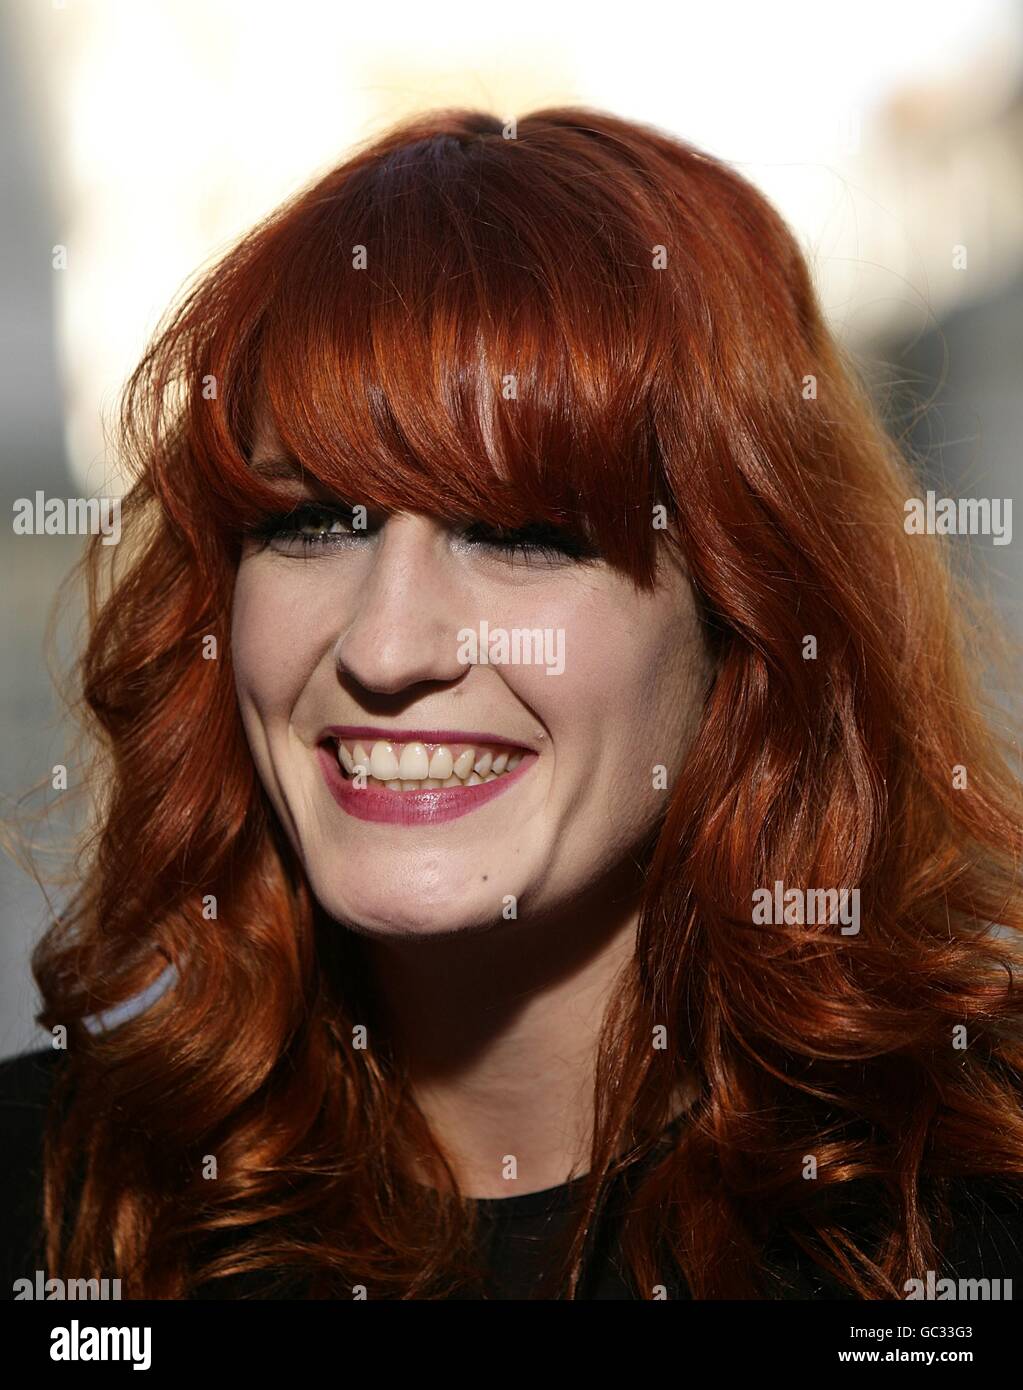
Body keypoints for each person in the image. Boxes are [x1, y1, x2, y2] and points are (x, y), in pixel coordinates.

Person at [3, 106, 1023, 1300]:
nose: (386, 647)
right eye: (313, 521)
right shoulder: (56, 1201)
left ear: (744, 623)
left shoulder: (968, 1212)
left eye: (525, 535)